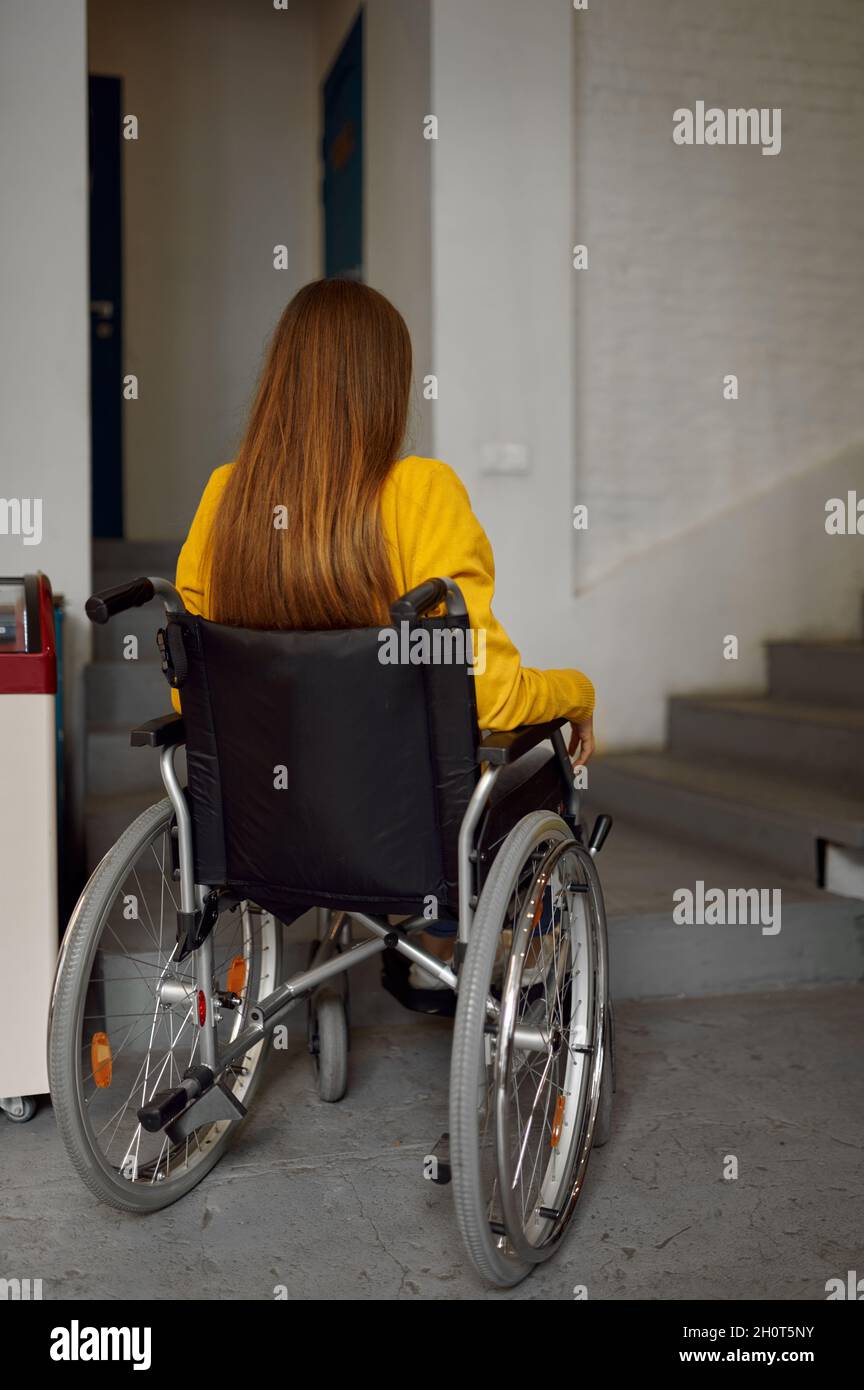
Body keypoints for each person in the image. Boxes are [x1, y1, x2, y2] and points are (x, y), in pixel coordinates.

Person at [173, 278, 595, 986]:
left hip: (258, 828)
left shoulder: (226, 499)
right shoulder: (422, 493)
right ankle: (484, 948)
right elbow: (488, 698)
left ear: (280, 380)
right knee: (541, 760)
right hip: (403, 833)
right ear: (386, 386)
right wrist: (577, 692)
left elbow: (196, 691)